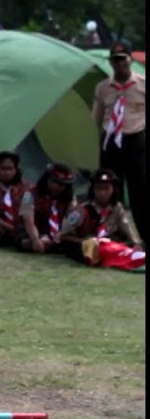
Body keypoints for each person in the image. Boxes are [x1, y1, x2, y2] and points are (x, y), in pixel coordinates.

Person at [92, 41, 146, 240]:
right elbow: (96, 117)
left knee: (139, 190)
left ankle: (143, 236)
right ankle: (112, 234)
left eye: (122, 59)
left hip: (135, 139)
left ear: (130, 60)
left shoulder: (142, 84)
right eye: (114, 60)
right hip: (111, 140)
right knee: (109, 189)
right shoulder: (103, 87)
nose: (118, 64)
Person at [59, 168, 142, 264]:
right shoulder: (81, 210)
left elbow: (129, 231)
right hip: (85, 245)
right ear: (93, 189)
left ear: (113, 190)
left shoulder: (117, 208)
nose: (103, 193)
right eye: (99, 188)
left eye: (107, 188)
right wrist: (85, 242)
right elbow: (63, 236)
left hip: (109, 247)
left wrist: (136, 244)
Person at [17, 163, 77, 254]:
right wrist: (36, 239)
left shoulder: (70, 198)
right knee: (25, 242)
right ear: (46, 179)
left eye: (61, 185)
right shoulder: (31, 193)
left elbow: (71, 222)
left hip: (59, 234)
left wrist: (59, 236)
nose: (56, 187)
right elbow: (28, 220)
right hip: (34, 232)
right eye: (54, 182)